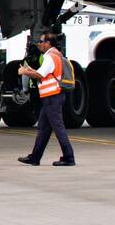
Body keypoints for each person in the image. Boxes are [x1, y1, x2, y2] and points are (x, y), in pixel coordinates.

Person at [17, 32, 76, 167]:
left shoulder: (50, 57)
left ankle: (69, 157)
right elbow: (45, 73)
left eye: (41, 41)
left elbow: (40, 74)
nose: (39, 44)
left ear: (48, 43)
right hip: (51, 97)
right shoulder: (56, 55)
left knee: (58, 127)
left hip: (52, 97)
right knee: (43, 128)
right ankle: (35, 157)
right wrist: (30, 69)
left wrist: (24, 72)